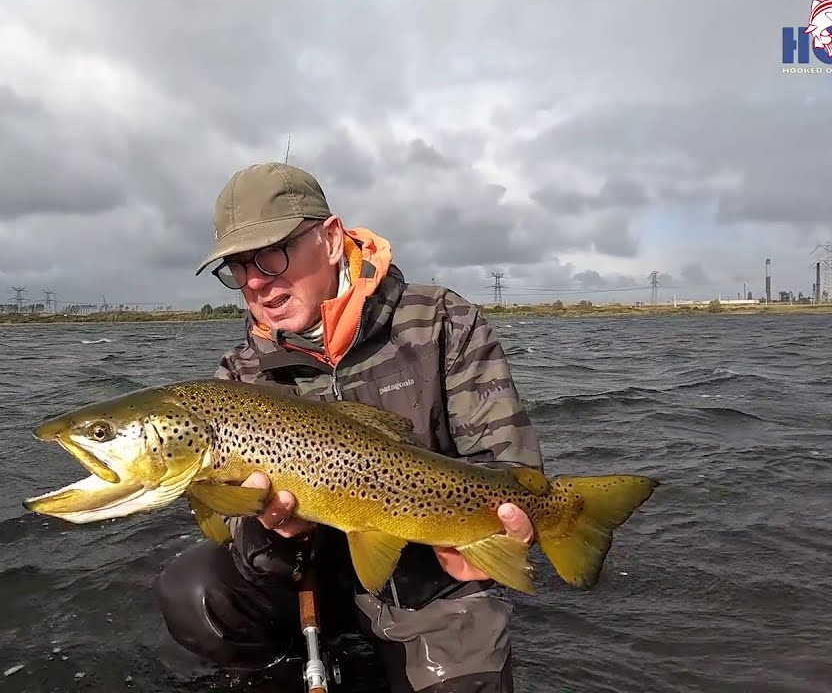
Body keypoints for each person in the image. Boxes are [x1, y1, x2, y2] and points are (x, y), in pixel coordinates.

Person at [153, 162, 544, 693]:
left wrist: (502, 532)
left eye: (271, 254)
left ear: (332, 239)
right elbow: (237, 534)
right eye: (237, 267)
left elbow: (509, 470)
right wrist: (274, 532)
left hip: (432, 581)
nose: (255, 282)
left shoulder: (442, 323)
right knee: (195, 588)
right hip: (304, 578)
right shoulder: (238, 376)